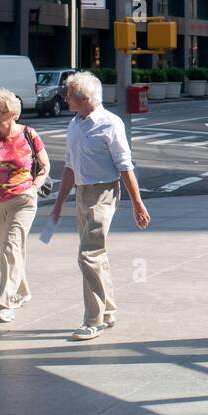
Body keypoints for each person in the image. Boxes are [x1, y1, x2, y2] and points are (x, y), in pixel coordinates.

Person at [49, 71, 151, 342]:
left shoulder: (110, 123)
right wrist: (59, 203)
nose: (65, 97)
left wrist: (137, 204)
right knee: (97, 254)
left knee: (88, 255)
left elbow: (125, 166)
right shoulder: (75, 123)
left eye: (69, 94)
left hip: (104, 191)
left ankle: (92, 320)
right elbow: (70, 166)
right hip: (83, 193)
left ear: (84, 97)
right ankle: (108, 310)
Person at [0, 89, 49, 324]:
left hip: (22, 199)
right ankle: (22, 290)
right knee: (4, 253)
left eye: (1, 111)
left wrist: (34, 186)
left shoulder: (28, 134)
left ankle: (5, 304)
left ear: (14, 113)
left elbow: (44, 166)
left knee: (10, 247)